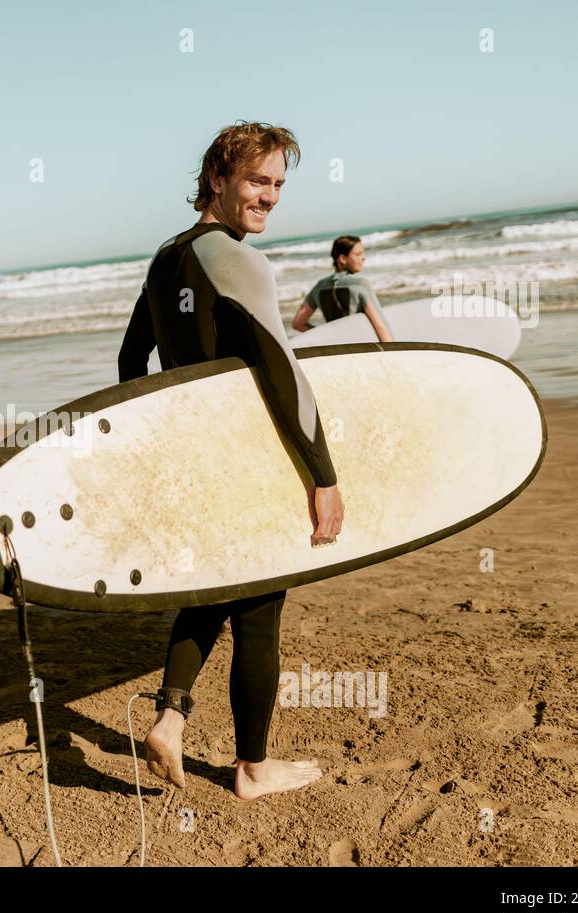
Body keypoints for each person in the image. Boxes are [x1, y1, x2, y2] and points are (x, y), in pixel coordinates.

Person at [117, 122, 343, 799]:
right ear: (217, 179)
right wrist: (323, 475)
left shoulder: (166, 258)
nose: (269, 196)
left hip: (196, 460)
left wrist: (161, 442)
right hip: (248, 459)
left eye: (278, 184)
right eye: (256, 180)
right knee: (261, 605)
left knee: (217, 589)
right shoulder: (237, 258)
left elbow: (133, 361)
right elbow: (280, 368)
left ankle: (169, 719)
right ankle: (251, 767)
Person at [291, 235, 393, 341]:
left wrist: (326, 336)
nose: (363, 258)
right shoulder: (360, 284)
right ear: (343, 259)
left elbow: (298, 323)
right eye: (358, 254)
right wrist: (392, 352)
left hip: (338, 349)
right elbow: (380, 326)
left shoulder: (319, 287)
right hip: (363, 348)